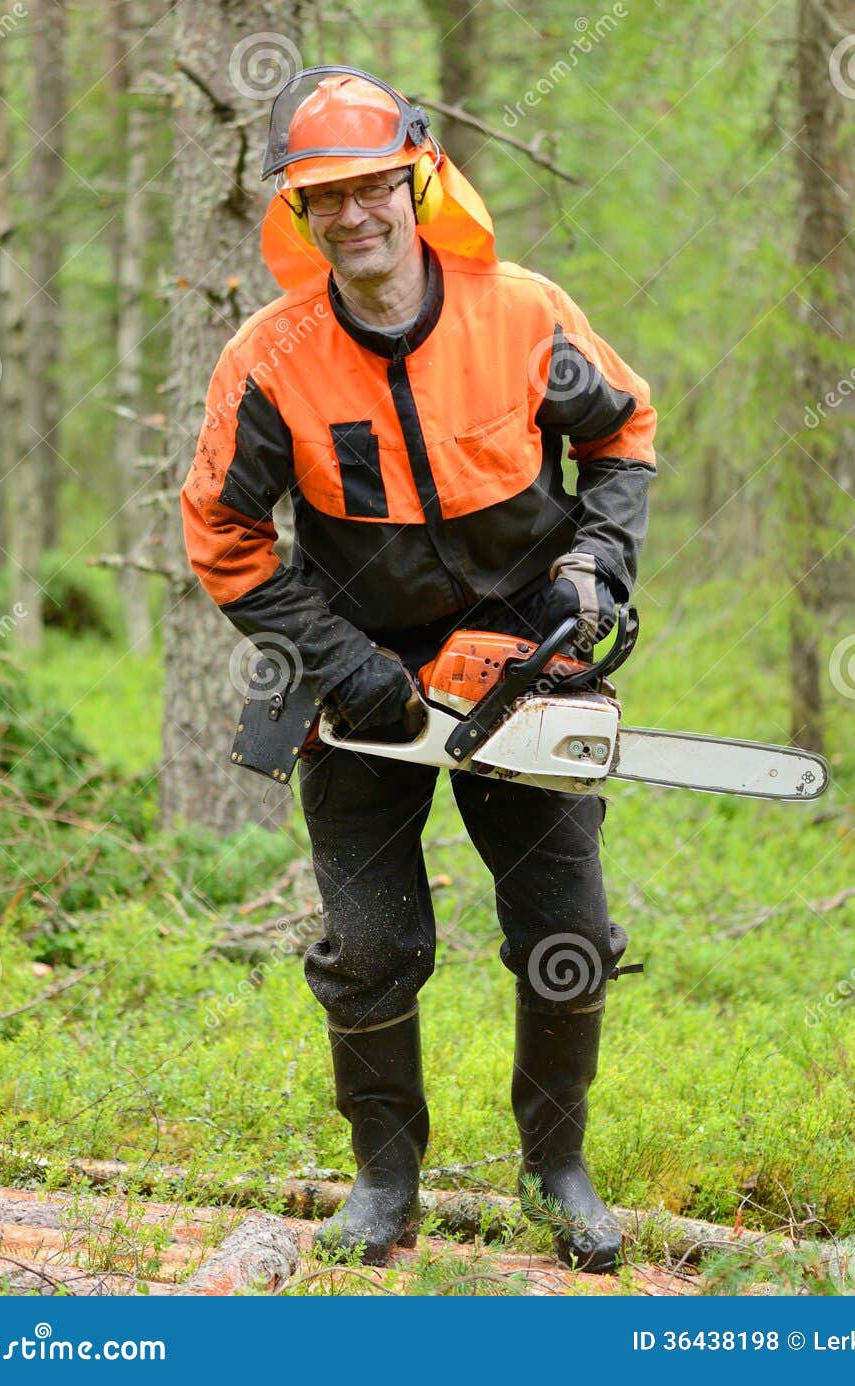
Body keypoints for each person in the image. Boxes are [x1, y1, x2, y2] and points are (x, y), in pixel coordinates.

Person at [181, 66, 656, 1271]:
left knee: (570, 932)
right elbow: (223, 538)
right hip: (364, 684)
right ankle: (385, 1181)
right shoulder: (273, 354)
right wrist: (342, 665)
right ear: (299, 212)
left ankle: (557, 1167)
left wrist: (594, 565)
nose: (352, 217)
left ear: (418, 175)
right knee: (376, 945)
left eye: (371, 187)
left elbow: (620, 435)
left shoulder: (519, 313)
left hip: (521, 664)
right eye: (323, 198)